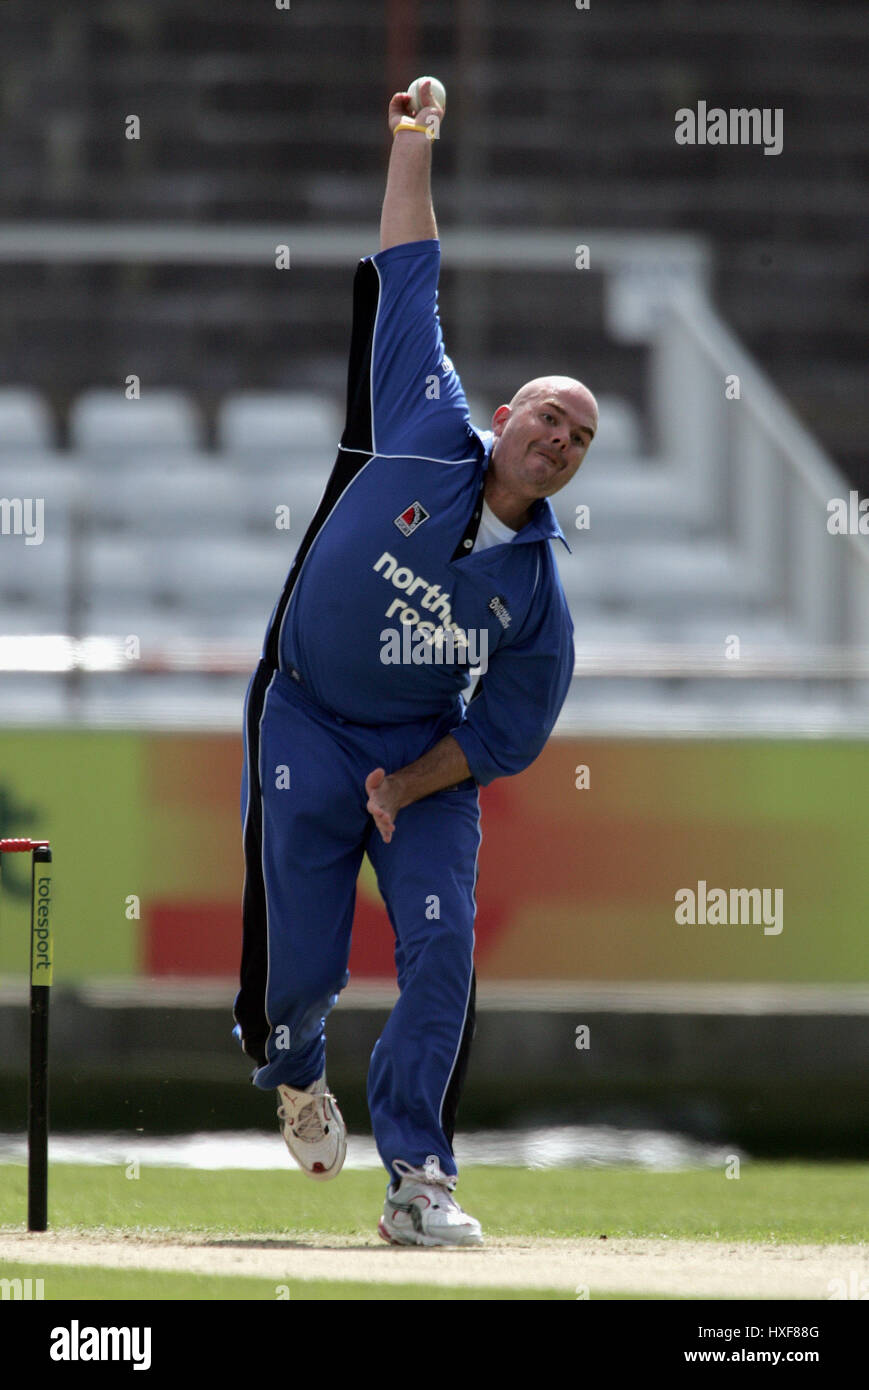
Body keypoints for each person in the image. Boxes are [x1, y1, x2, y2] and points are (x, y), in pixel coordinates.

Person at [233, 81, 598, 1248]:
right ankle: (293, 1063)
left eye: (580, 439)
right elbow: (409, 267)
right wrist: (411, 139)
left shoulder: (535, 595)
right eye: (549, 416)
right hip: (304, 716)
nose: (559, 439)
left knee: (441, 948)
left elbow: (504, 736)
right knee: (300, 968)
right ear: (505, 414)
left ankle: (417, 1182)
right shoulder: (422, 415)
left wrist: (411, 785)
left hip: (419, 758)